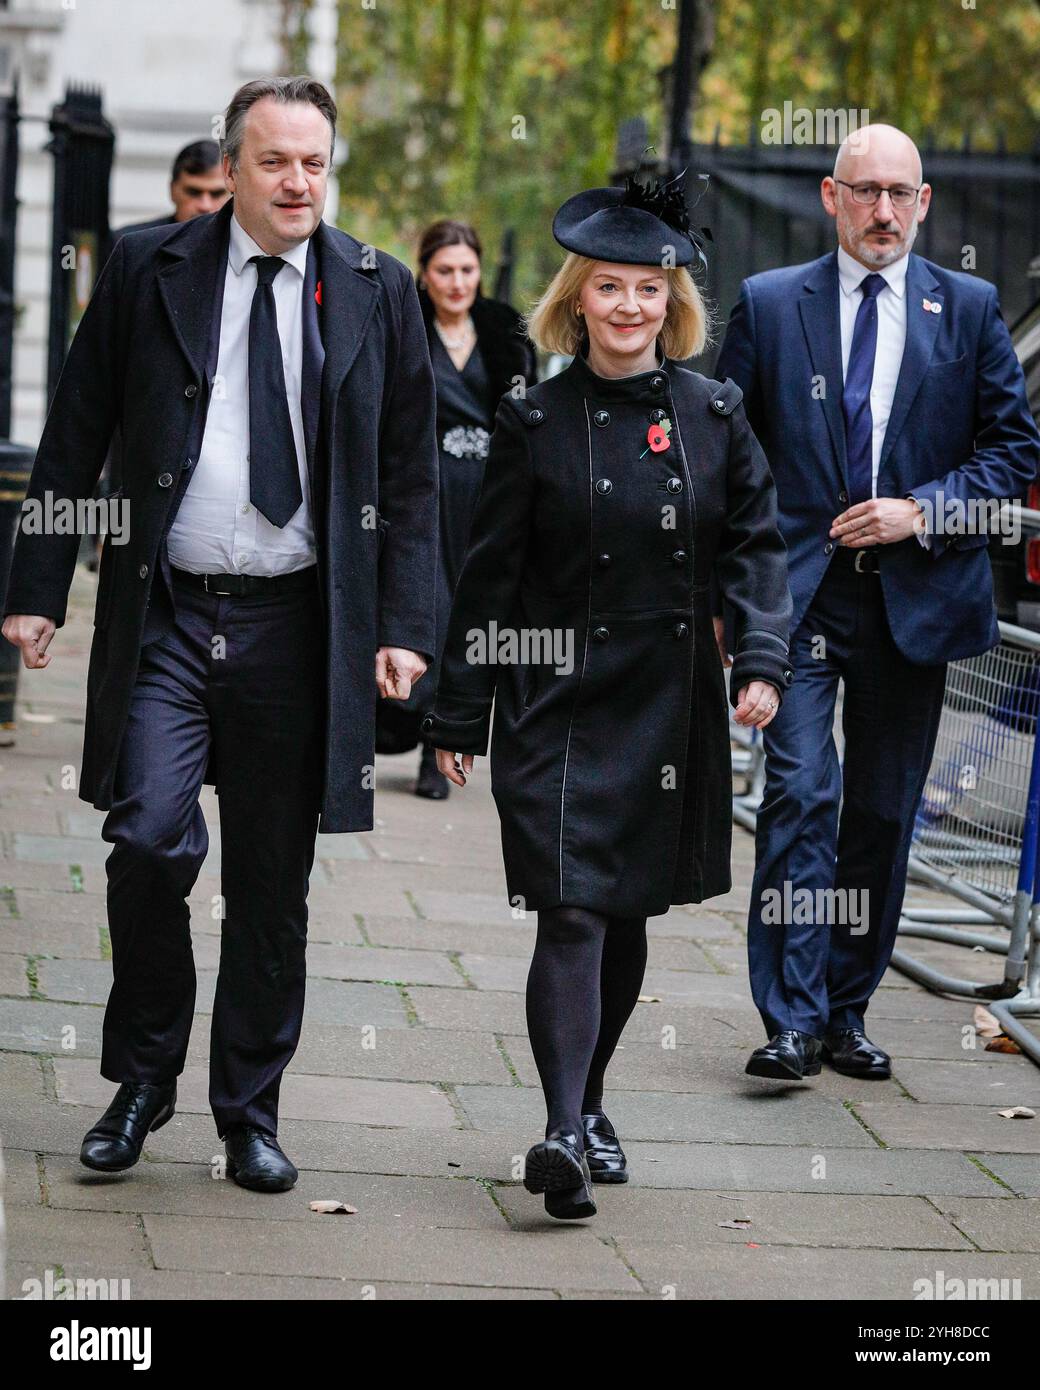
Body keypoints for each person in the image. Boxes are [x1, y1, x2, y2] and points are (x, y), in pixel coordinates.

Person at [2, 76, 438, 1193]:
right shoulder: (154, 270)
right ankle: (142, 1077)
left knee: (270, 884)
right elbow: (77, 425)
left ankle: (248, 1110)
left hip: (299, 625)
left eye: (314, 163)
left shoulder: (373, 287)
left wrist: (403, 624)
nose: (298, 182)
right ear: (232, 170)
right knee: (148, 838)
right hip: (170, 611)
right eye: (275, 162)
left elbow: (408, 469)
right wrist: (39, 583)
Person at [421, 171, 792, 1219]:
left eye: (646, 289)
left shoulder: (714, 413)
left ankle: (586, 1101)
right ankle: (559, 1132)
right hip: (551, 698)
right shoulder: (532, 417)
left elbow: (755, 549)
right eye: (608, 288)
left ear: (669, 301)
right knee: (571, 908)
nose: (627, 307)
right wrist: (455, 712)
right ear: (575, 297)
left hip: (665, 698)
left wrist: (759, 660)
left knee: (623, 913)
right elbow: (487, 573)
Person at [716, 124, 1040, 1083]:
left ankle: (844, 1011)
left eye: (901, 193)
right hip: (800, 602)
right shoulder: (773, 307)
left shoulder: (969, 310)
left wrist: (921, 512)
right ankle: (789, 1018)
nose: (884, 211)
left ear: (926, 203)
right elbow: (730, 461)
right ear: (831, 196)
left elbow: (1013, 457)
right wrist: (733, 599)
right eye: (865, 192)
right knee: (802, 796)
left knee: (884, 814)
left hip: (916, 603)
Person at [375, 219, 536, 799]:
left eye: (467, 269)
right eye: (445, 270)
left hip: (486, 493)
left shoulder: (503, 332)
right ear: (425, 272)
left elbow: (526, 419)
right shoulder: (403, 324)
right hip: (423, 491)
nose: (457, 281)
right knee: (429, 609)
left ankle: (443, 739)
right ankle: (418, 734)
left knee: (471, 614)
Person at [110, 139, 229, 246]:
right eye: (193, 192)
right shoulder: (131, 246)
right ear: (173, 190)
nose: (205, 206)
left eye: (216, 194)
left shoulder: (243, 246)